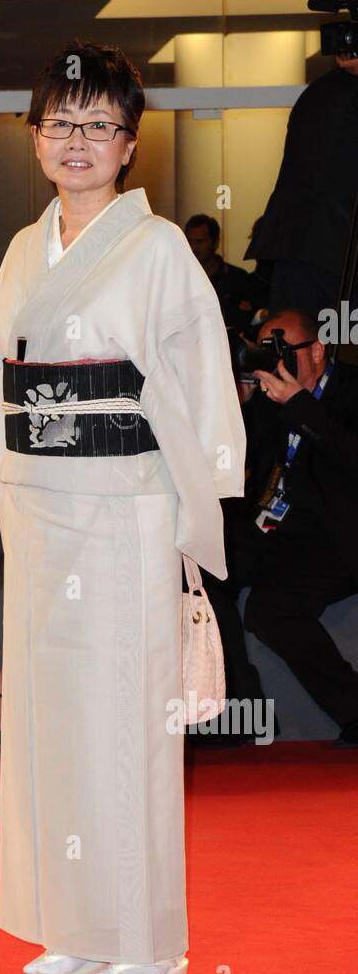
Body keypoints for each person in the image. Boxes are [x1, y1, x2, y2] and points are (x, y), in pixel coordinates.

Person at [0, 39, 246, 974]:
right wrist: (10, 492)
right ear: (36, 138)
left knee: (128, 726)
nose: (77, 140)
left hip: (130, 506)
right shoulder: (21, 250)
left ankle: (147, 935)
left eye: (98, 124)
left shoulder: (159, 246)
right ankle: (73, 926)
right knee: (52, 727)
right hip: (45, 512)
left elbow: (199, 379)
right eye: (60, 123)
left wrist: (195, 508)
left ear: (130, 144)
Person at [202, 310, 358, 748]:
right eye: (266, 351)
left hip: (335, 534)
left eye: (283, 351)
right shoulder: (269, 397)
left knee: (271, 610)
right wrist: (241, 408)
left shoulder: (350, 392)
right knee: (203, 571)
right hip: (272, 523)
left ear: (317, 350)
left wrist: (301, 406)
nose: (276, 363)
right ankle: (238, 712)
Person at [245, 51, 358, 318]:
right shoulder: (332, 95)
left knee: (296, 345)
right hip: (335, 248)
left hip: (299, 244)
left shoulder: (320, 92)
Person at [184, 213, 267, 334]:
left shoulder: (238, 279)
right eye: (189, 241)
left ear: (215, 242)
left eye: (200, 242)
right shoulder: (179, 279)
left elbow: (249, 321)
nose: (193, 247)